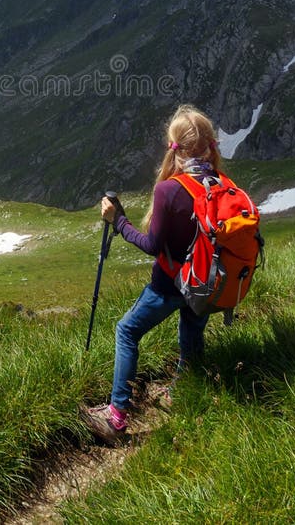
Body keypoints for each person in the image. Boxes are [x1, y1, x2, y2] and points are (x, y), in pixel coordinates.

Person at [82, 103, 223, 445]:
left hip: (168, 285)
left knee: (127, 331)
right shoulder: (219, 183)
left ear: (173, 146)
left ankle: (116, 417)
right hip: (204, 282)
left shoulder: (169, 190)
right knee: (190, 333)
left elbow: (152, 245)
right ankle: (185, 392)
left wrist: (118, 222)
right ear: (209, 145)